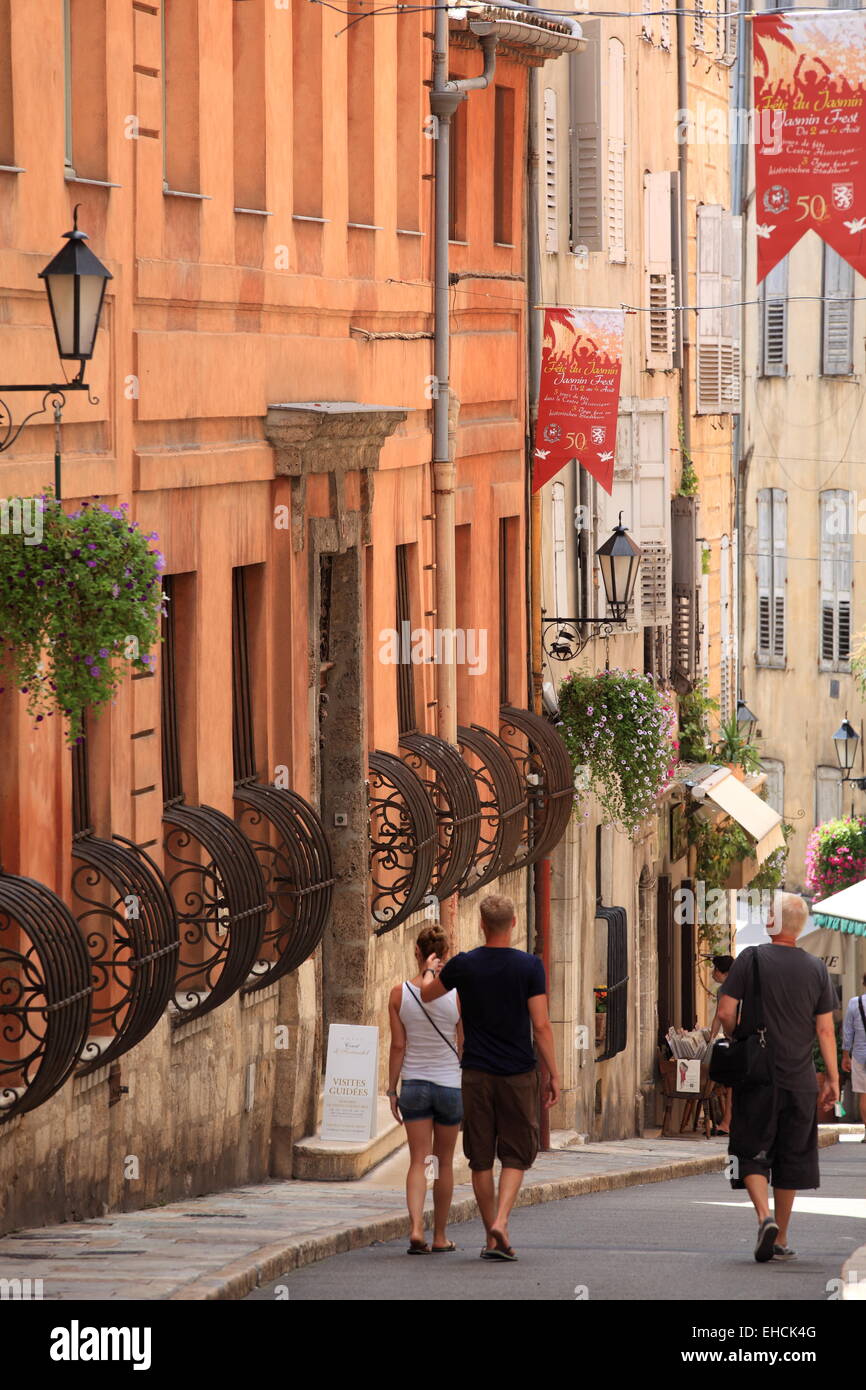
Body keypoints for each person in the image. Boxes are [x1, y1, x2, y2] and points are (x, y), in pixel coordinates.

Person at [420, 893, 560, 1262]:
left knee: (480, 1158)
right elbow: (541, 1026)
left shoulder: (465, 965)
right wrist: (553, 1074)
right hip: (517, 1074)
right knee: (515, 1153)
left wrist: (436, 969)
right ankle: (501, 1220)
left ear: (481, 925)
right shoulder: (530, 967)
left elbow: (429, 995)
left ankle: (492, 1238)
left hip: (476, 1074)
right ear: (513, 923)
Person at [716, 892, 839, 1263]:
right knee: (792, 1155)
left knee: (749, 1149)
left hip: (758, 1073)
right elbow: (826, 1031)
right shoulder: (817, 968)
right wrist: (832, 1078)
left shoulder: (750, 958)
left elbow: (724, 1010)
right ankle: (781, 1237)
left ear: (772, 923)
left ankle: (763, 1216)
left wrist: (739, 1035)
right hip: (801, 1079)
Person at [387, 925, 464, 1254]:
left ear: (417, 953)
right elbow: (464, 1045)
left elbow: (398, 1046)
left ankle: (416, 1227)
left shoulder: (398, 994)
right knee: (444, 1163)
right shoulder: (459, 994)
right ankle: (440, 1236)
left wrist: (392, 1090)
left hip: (415, 1085)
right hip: (449, 1084)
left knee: (418, 1160)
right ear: (445, 956)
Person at [708, 954, 735, 1137]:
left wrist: (711, 1038)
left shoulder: (725, 989)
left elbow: (721, 1015)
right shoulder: (742, 984)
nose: (712, 973)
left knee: (731, 1084)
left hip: (735, 1040)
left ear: (721, 971)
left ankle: (727, 1123)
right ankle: (729, 1121)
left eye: (714, 969)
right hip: (745, 1038)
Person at [842, 971, 866, 1139]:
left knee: (864, 1096)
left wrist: (845, 1055)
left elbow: (847, 1032)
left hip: (859, 1056)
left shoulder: (854, 1003)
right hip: (860, 1055)